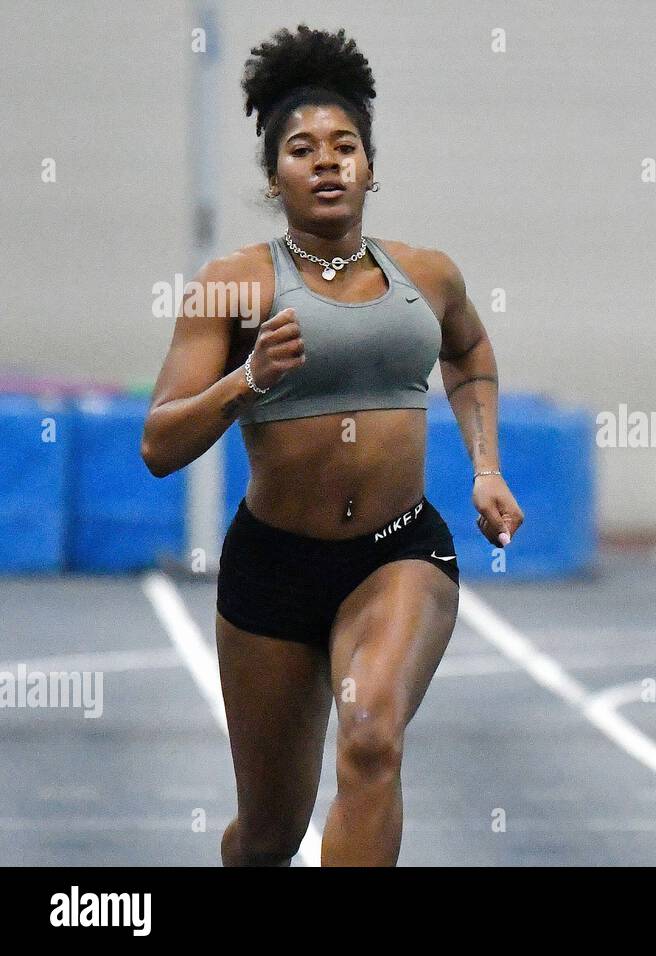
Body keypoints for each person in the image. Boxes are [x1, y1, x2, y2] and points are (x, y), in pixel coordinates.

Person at [140, 24, 524, 866]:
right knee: (271, 834)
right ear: (274, 177)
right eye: (302, 149)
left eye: (345, 146)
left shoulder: (428, 275)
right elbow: (159, 444)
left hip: (398, 554)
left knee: (371, 739)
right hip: (273, 569)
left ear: (371, 167)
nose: (326, 161)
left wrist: (486, 465)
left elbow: (470, 354)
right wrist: (246, 380)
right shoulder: (234, 284)